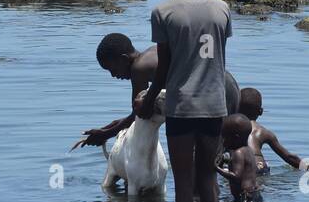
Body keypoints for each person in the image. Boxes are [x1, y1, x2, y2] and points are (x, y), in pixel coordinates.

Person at [137, 0, 232, 202]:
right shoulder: (221, 7)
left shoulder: (162, 12)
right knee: (208, 177)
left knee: (183, 183)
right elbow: (218, 56)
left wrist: (149, 99)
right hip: (214, 104)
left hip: (181, 107)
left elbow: (164, 65)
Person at [71, 34, 238, 151]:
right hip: (226, 82)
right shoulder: (150, 53)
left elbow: (139, 114)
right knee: (229, 147)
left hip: (216, 90)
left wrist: (106, 135)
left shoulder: (139, 68)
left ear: (123, 59)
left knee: (208, 158)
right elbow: (136, 114)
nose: (114, 75)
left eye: (113, 69)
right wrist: (111, 127)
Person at [232, 88, 307, 174]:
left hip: (240, 166)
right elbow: (289, 157)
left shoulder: (231, 128)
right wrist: (308, 167)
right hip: (259, 165)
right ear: (261, 111)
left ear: (236, 108)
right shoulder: (262, 132)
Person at [215, 117, 261, 202]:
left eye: (225, 138)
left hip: (245, 197)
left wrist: (216, 168)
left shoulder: (238, 153)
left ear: (236, 138)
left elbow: (236, 176)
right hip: (255, 192)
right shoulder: (248, 150)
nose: (223, 142)